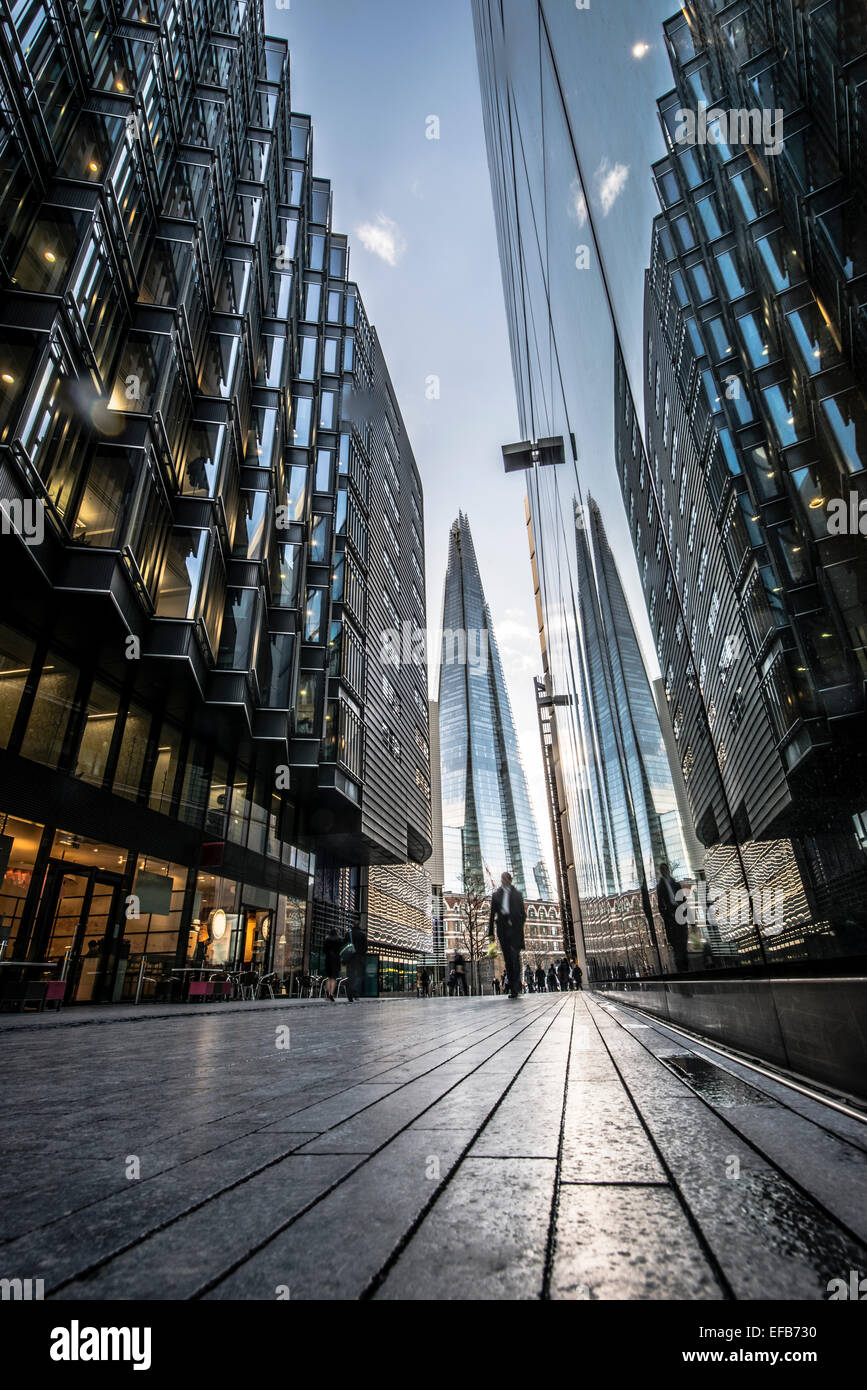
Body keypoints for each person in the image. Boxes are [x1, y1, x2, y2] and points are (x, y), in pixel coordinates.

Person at [488, 871, 525, 999]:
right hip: (503, 930)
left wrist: (519, 926)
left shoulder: (518, 895)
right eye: (502, 878)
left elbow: (523, 914)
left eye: (506, 879)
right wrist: (490, 933)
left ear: (510, 880)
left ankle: (516, 986)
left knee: (515, 957)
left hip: (515, 930)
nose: (504, 881)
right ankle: (514, 988)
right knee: (508, 959)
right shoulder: (496, 895)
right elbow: (492, 914)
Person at [657, 863, 689, 973]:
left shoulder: (675, 883)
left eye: (665, 869)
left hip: (679, 911)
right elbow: (660, 904)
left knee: (683, 937)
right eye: (662, 870)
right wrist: (666, 915)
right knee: (676, 940)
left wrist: (686, 912)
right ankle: (681, 967)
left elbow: (682, 898)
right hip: (671, 914)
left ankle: (685, 964)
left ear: (668, 870)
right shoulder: (660, 886)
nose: (664, 871)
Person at [343, 920, 368, 1002]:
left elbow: (344, 946)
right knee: (359, 976)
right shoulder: (362, 935)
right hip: (359, 959)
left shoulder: (348, 934)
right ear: (359, 926)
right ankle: (354, 990)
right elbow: (365, 948)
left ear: (353, 925)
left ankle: (350, 994)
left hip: (350, 959)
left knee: (350, 976)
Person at [323, 929, 344, 1003]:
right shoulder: (339, 940)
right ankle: (331, 994)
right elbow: (342, 949)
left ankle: (328, 991)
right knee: (334, 978)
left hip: (328, 959)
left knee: (328, 977)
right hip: (336, 960)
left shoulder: (327, 940)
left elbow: (324, 950)